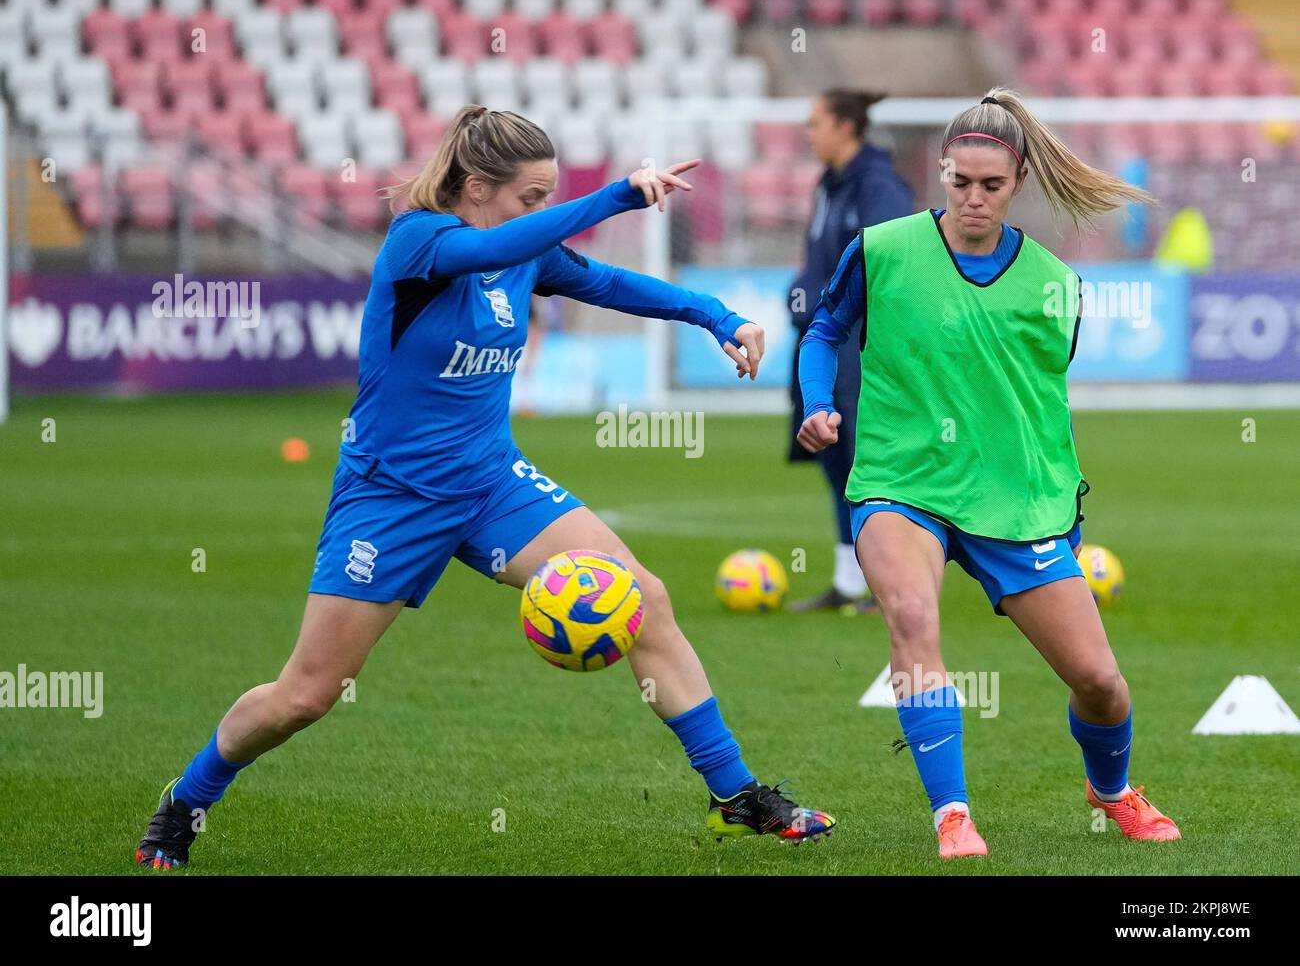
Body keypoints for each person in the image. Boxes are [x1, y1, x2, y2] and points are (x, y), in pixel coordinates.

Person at [136, 106, 834, 869]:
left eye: (549, 197)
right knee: (305, 694)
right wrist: (616, 196)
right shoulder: (418, 240)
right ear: (474, 187)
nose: (540, 214)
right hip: (391, 497)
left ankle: (734, 795)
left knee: (645, 598)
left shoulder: (524, 250)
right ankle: (190, 797)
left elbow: (604, 280)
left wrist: (715, 314)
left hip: (493, 483)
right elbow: (504, 243)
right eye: (531, 197)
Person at [797, 87, 1180, 859]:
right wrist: (818, 403)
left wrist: (1063, 513)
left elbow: (1047, 407)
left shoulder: (1056, 285)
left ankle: (1110, 791)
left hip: (1015, 501)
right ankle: (953, 814)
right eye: (959, 181)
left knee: (1101, 683)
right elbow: (825, 327)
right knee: (910, 618)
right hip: (902, 481)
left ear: (1020, 184)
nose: (972, 198)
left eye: (991, 186)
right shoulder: (883, 249)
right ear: (940, 171)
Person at [787, 89, 913, 614]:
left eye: (815, 121)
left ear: (845, 127)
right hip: (822, 339)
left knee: (869, 460)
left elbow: (895, 264)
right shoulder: (829, 184)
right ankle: (849, 582)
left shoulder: (879, 186)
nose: (807, 132)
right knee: (834, 457)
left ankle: (897, 583)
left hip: (858, 344)